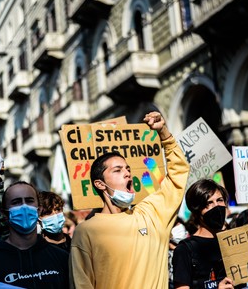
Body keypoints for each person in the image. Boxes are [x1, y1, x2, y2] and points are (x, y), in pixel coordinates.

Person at [69, 111, 190, 288]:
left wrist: (164, 133)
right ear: (100, 184)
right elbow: (82, 284)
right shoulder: (85, 231)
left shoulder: (151, 214)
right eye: (117, 170)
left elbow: (178, 175)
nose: (127, 173)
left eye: (127, 169)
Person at [0, 181, 69, 288]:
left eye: (29, 201)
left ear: (39, 209)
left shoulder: (62, 258)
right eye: (16, 202)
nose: (24, 207)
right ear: (5, 214)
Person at [172, 179, 234, 289]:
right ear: (196, 211)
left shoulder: (233, 240)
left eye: (220, 200)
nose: (217, 206)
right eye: (209, 203)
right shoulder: (185, 250)